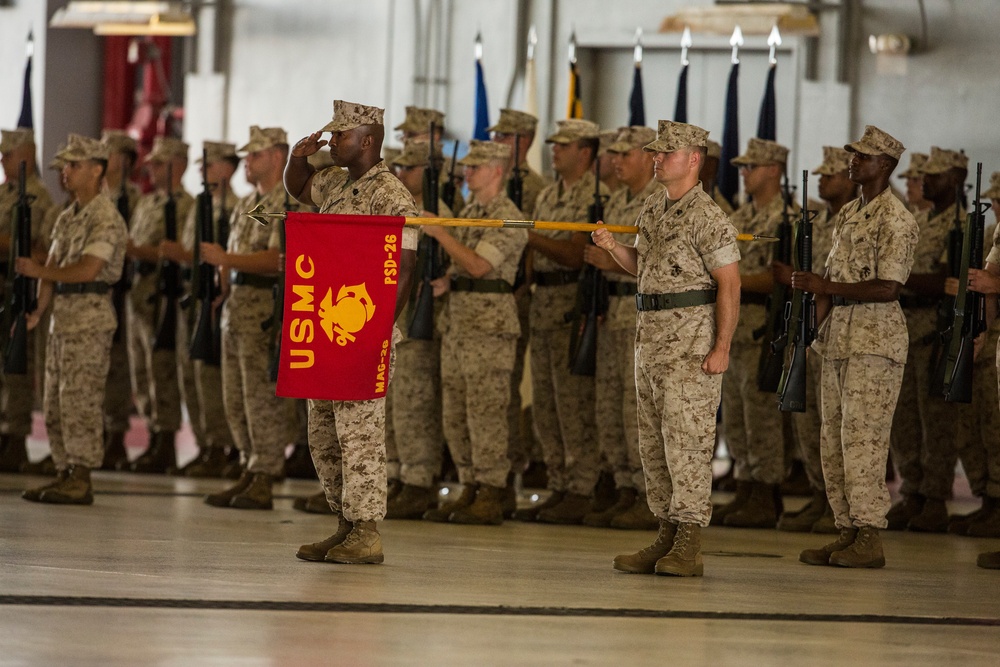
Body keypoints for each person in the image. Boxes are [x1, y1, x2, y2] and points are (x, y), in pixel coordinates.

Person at [592, 120, 740, 576]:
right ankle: (666, 533)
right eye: (655, 153)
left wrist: (722, 347)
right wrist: (613, 247)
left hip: (690, 345)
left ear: (694, 159)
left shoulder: (709, 217)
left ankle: (689, 542)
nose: (657, 159)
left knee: (688, 444)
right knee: (653, 444)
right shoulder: (653, 207)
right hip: (651, 340)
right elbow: (645, 267)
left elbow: (729, 285)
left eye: (667, 154)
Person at [284, 100, 417, 564]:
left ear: (367, 139)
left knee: (359, 432)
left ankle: (367, 531)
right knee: (323, 431)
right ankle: (343, 523)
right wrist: (297, 157)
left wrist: (379, 331)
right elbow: (300, 188)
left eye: (341, 135)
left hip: (364, 331)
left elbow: (404, 268)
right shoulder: (335, 183)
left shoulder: (391, 195)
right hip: (325, 328)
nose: (334, 141)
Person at [795, 125, 918, 569]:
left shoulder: (896, 220)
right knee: (833, 438)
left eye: (863, 156)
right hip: (839, 339)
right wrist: (808, 333)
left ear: (884, 165)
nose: (853, 161)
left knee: (863, 440)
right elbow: (828, 287)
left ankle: (869, 535)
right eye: (854, 154)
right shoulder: (849, 214)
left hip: (874, 340)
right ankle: (845, 529)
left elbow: (888, 287)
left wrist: (823, 285)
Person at [420, 140, 527, 524]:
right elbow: (463, 268)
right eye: (466, 167)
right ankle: (470, 484)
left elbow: (481, 266)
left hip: (489, 327)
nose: (467, 173)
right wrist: (448, 281)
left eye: (475, 167)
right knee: (457, 411)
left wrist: (441, 234)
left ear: (496, 171)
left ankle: (493, 489)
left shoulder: (507, 215)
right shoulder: (470, 211)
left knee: (486, 411)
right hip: (460, 323)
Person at [19, 134, 127, 504]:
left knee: (80, 399)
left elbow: (87, 270)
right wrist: (37, 309)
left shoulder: (106, 217)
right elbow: (52, 266)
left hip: (89, 318)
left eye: (73, 165)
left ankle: (80, 474)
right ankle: (63, 470)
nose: (65, 173)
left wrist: (38, 272)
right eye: (64, 166)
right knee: (55, 401)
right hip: (62, 319)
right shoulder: (68, 216)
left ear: (97, 170)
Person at [197, 127, 297, 509]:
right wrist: (223, 282)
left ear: (277, 156)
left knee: (260, 399)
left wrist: (226, 261)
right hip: (237, 308)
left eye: (255, 155)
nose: (247, 162)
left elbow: (278, 260)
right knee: (235, 398)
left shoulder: (286, 202)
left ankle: (265, 473)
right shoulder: (248, 204)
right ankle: (247, 466)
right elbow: (235, 253)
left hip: (263, 311)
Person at [513, 119, 607, 524]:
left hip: (572, 304)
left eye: (563, 145)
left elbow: (574, 254)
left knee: (573, 404)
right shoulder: (550, 194)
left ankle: (582, 486)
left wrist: (531, 237)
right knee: (547, 405)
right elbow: (535, 257)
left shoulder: (596, 196)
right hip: (544, 305)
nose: (554, 151)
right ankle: (558, 482)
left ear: (584, 152)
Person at [580, 126, 662, 530]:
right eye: (614, 153)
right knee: (609, 404)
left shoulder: (658, 202)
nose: (616, 160)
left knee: (635, 408)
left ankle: (645, 493)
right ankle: (622, 485)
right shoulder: (615, 199)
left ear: (649, 157)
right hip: (611, 310)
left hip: (638, 309)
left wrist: (608, 261)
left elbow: (660, 266)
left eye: (625, 154)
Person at [714, 137, 796, 529]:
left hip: (764, 326)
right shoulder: (742, 218)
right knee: (737, 415)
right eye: (743, 167)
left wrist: (732, 281)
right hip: (735, 326)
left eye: (751, 167)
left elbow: (780, 278)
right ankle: (745, 484)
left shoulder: (789, 218)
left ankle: (767, 492)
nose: (742, 173)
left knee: (762, 415)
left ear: (774, 171)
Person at [887, 146, 967, 532]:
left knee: (936, 420)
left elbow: (945, 282)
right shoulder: (919, 221)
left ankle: (935, 497)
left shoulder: (962, 225)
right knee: (904, 419)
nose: (924, 181)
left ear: (954, 179)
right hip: (905, 327)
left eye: (933, 176)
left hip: (935, 330)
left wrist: (895, 280)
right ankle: (912, 491)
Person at [776, 146, 855, 534]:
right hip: (810, 324)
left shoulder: (855, 220)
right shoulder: (820, 220)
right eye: (820, 175)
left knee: (837, 424)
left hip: (840, 326)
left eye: (831, 174)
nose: (822, 180)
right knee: (809, 421)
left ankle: (840, 507)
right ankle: (819, 494)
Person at [159, 141, 241, 478]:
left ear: (228, 168)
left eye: (208, 166)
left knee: (213, 376)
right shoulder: (200, 206)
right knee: (192, 374)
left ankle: (223, 446)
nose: (201, 171)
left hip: (220, 298)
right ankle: (207, 443)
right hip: (195, 294)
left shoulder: (235, 206)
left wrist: (179, 253)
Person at [383, 140, 452, 520]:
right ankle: (395, 475)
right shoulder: (399, 208)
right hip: (397, 320)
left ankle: (419, 480)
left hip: (419, 322)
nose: (400, 174)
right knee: (394, 404)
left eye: (409, 168)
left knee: (415, 404)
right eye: (398, 167)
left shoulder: (440, 214)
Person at [125, 136, 193, 473]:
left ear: (178, 166)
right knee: (141, 369)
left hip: (161, 295)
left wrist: (139, 252)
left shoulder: (187, 206)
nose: (152, 169)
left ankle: (165, 438)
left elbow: (176, 251)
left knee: (161, 369)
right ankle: (152, 434)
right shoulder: (147, 203)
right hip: (138, 293)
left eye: (160, 163)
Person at [0, 127, 55, 473]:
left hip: (17, 286)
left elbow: (36, 249)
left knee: (18, 366)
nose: (3, 161)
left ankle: (16, 435)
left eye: (8, 154)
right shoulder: (6, 192)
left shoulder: (37, 196)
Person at [98, 130, 141, 470]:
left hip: (126, 291)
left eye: (109, 152)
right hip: (98, 288)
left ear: (124, 161)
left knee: (120, 363)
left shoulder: (137, 199)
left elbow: (137, 244)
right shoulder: (95, 197)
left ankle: (115, 432)